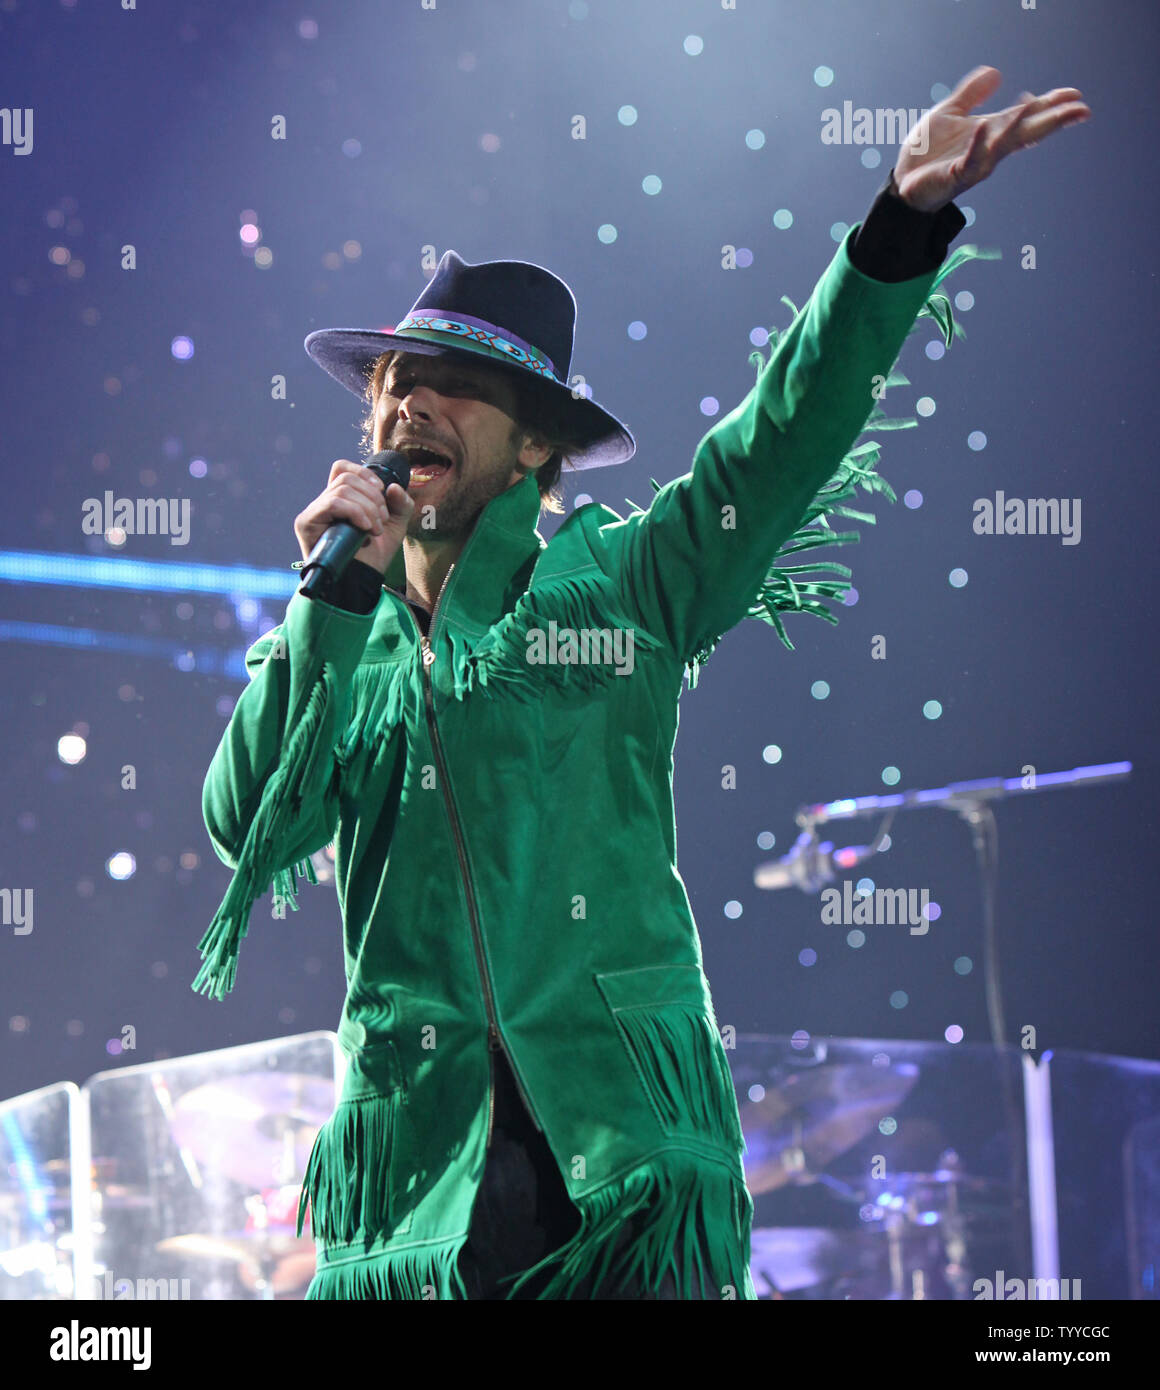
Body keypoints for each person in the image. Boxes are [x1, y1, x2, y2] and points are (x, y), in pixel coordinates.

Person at [195, 68, 1089, 1299]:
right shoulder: (334, 629)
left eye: (456, 386)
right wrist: (327, 600)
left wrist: (894, 230)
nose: (410, 401)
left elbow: (781, 437)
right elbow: (248, 827)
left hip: (610, 1157)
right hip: (419, 1189)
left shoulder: (624, 584)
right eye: (394, 384)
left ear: (536, 443)